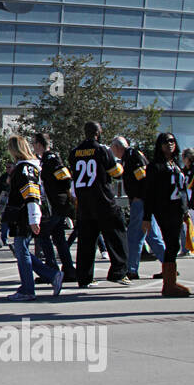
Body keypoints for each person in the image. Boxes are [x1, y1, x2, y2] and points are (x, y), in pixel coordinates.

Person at [67, 122, 130, 288]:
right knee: (117, 236)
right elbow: (115, 173)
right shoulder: (102, 150)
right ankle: (118, 272)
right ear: (97, 133)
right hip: (103, 200)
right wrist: (120, 167)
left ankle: (84, 277)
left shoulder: (74, 152)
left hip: (85, 203)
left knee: (86, 242)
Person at [2, 136, 63, 302]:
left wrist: (34, 217)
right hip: (25, 214)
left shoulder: (24, 169)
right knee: (22, 251)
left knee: (21, 249)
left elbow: (31, 194)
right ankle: (52, 275)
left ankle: (28, 289)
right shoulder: (30, 167)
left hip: (23, 215)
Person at [142, 132, 191, 297]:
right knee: (171, 244)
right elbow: (148, 193)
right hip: (164, 209)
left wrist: (185, 211)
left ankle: (170, 282)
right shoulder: (155, 166)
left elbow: (181, 189)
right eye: (165, 141)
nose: (169, 144)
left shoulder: (175, 164)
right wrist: (147, 217)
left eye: (172, 141)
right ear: (159, 145)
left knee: (175, 245)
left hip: (177, 209)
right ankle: (169, 285)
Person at [111, 135, 165, 279]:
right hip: (143, 201)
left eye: (113, 148)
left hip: (140, 201)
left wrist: (139, 196)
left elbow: (144, 178)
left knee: (134, 236)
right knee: (152, 236)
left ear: (117, 147)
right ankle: (168, 265)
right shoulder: (131, 156)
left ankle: (132, 269)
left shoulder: (132, 157)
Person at [32, 133, 77, 280]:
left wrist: (59, 194)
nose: (33, 147)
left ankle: (51, 270)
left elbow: (65, 178)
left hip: (56, 204)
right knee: (59, 238)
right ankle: (69, 270)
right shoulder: (46, 159)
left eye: (34, 144)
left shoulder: (51, 158)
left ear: (40, 144)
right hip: (57, 204)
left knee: (43, 234)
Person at [182, 148, 194, 257]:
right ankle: (187, 248)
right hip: (186, 201)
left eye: (184, 156)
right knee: (186, 224)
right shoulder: (185, 170)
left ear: (188, 158)